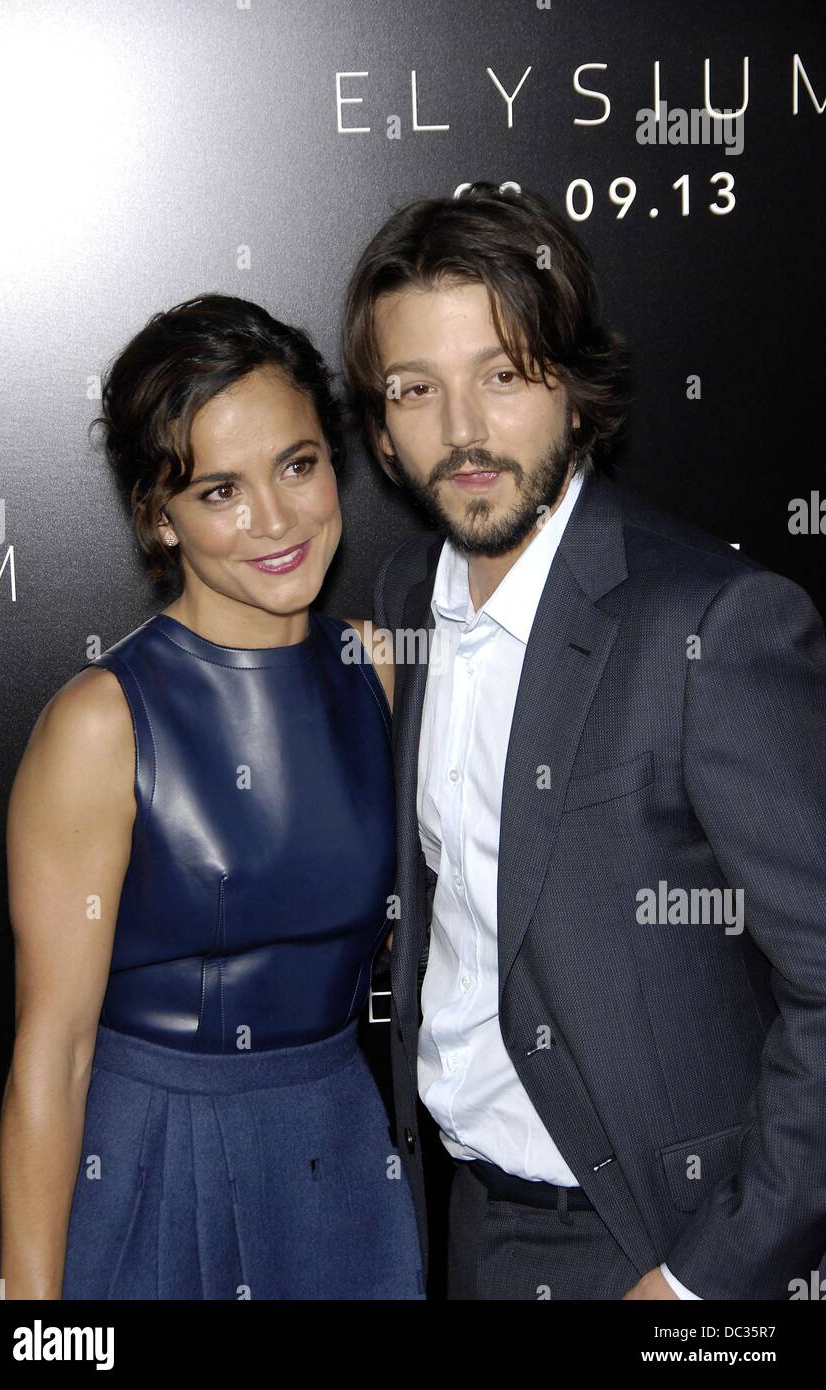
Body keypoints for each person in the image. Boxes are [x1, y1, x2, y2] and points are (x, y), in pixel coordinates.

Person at [340, 181, 826, 1300]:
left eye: (500, 375)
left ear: (572, 384)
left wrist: (708, 1275)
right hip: (471, 1228)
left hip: (657, 1243)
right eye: (416, 390)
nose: (460, 431)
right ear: (378, 424)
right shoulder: (408, 591)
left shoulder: (710, 623)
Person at [0, 293, 425, 1300]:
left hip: (334, 1160)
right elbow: (53, 1050)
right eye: (219, 490)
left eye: (296, 465)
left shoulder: (377, 671)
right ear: (157, 516)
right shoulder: (102, 722)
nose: (275, 519)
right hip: (141, 1163)